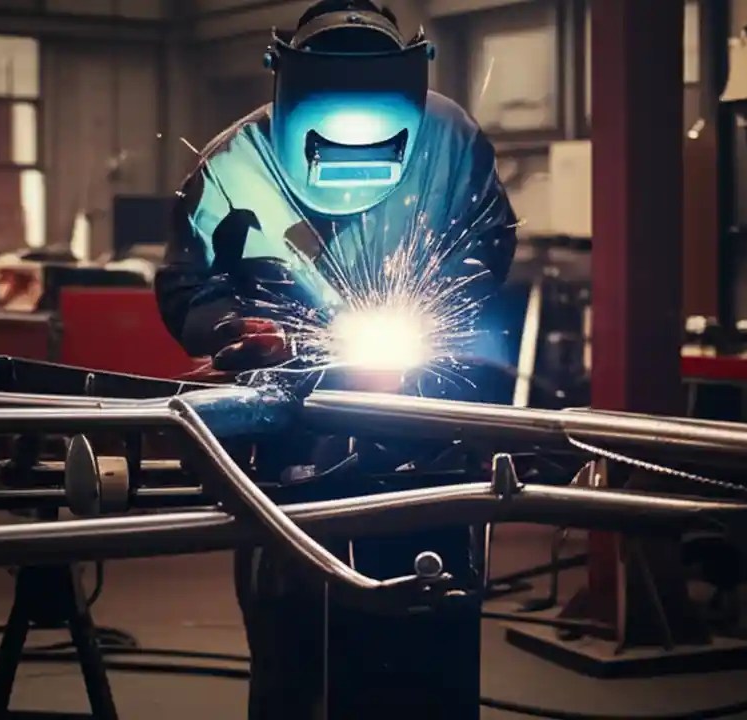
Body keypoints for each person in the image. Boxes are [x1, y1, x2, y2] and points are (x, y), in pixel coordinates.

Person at [154, 2, 518, 718]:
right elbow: (186, 287)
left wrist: (441, 302)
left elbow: (489, 245)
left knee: (427, 630)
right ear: (287, 87)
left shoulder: (451, 140)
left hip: (425, 441)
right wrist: (232, 327)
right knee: (295, 652)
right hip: (287, 449)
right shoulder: (230, 165)